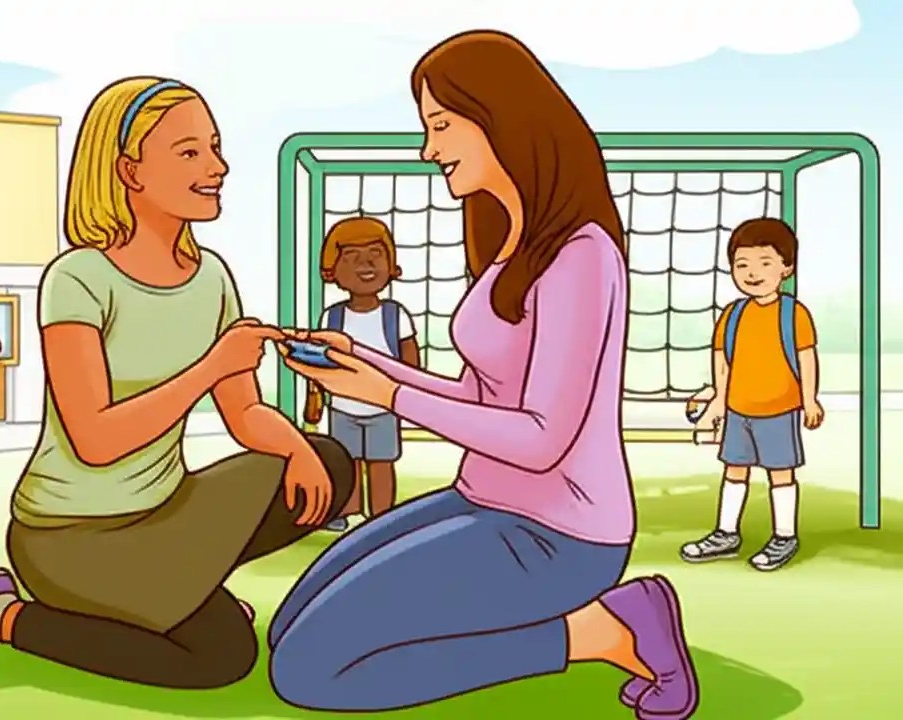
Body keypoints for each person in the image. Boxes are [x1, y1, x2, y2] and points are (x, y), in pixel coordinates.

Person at [269, 31, 699, 719]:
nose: (429, 149)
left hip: (560, 537)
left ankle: (605, 632)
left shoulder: (581, 256)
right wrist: (366, 367)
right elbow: (479, 396)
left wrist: (392, 394)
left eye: (441, 126)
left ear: (501, 119)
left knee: (310, 670)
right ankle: (601, 623)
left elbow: (542, 437)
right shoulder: (510, 249)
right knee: (290, 625)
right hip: (483, 499)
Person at [0, 76, 355, 690]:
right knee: (222, 656)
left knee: (326, 462)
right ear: (130, 171)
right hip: (70, 536)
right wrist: (211, 365)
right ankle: (1, 614)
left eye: (214, 147)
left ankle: (169, 592)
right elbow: (95, 440)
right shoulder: (78, 279)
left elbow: (244, 416)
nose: (218, 165)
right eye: (190, 152)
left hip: (163, 509)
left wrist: (295, 449)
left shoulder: (212, 276)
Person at [684, 218, 823, 571]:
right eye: (741, 264)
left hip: (779, 410)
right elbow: (722, 361)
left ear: (786, 268)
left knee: (781, 473)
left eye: (765, 263)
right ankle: (726, 533)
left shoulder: (793, 314)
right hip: (738, 411)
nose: (752, 273)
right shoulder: (732, 315)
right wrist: (718, 401)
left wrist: (809, 399)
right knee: (734, 470)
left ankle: (784, 536)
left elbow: (806, 357)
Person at [304, 216, 420, 532]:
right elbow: (321, 357)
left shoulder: (395, 314)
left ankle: (381, 515)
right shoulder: (333, 316)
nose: (365, 265)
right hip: (343, 405)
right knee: (348, 461)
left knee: (381, 462)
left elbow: (410, 357)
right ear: (333, 269)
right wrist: (315, 392)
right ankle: (348, 510)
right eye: (352, 257)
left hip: (383, 405)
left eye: (375, 255)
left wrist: (412, 395)